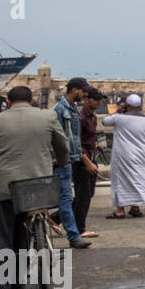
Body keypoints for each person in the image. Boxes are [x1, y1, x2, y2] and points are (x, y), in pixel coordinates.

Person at [0, 87, 73, 289]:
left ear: (8, 102)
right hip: (37, 185)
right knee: (23, 233)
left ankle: (0, 287)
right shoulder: (47, 116)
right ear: (32, 100)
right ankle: (18, 279)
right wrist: (62, 163)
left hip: (0, 186)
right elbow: (63, 145)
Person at [102, 94, 145, 219]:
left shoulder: (119, 118)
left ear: (126, 105)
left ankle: (120, 210)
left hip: (122, 155)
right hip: (140, 156)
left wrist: (116, 110)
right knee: (137, 180)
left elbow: (105, 121)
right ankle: (135, 207)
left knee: (120, 180)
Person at [52, 78, 89, 246]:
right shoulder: (59, 109)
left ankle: (72, 234)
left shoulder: (73, 109)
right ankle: (74, 237)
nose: (85, 95)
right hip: (62, 161)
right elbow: (56, 136)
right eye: (83, 91)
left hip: (70, 158)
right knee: (66, 200)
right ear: (74, 90)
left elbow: (74, 137)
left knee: (66, 199)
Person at [74, 87, 102, 238]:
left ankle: (54, 218)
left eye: (99, 99)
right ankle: (80, 229)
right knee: (83, 197)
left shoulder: (93, 117)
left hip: (91, 158)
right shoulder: (80, 117)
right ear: (86, 99)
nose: (97, 102)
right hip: (82, 161)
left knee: (87, 194)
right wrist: (87, 163)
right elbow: (76, 143)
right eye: (94, 99)